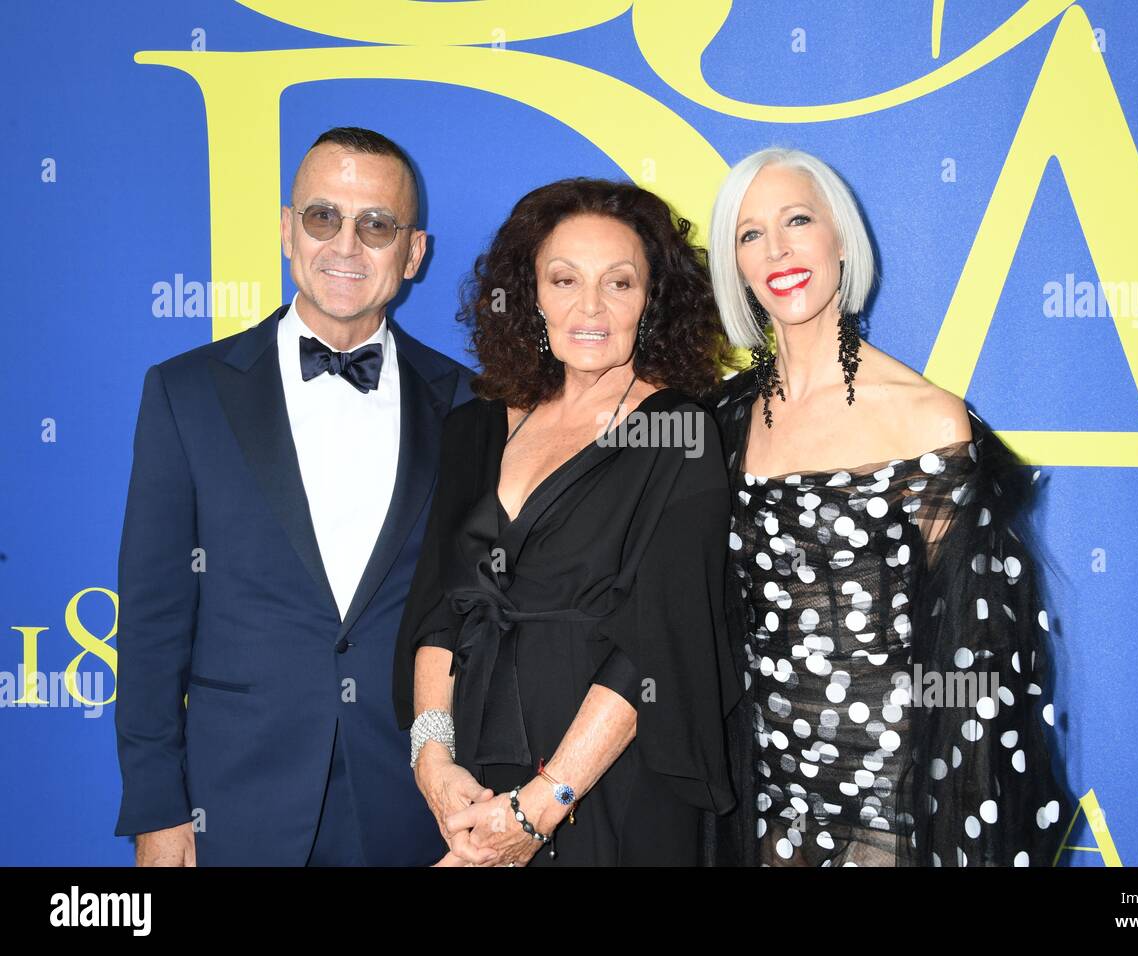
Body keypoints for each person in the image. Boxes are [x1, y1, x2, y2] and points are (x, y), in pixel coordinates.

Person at [113, 127, 475, 866]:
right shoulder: (186, 394)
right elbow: (152, 622)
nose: (346, 245)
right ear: (287, 230)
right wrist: (158, 809)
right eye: (322, 217)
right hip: (234, 806)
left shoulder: (470, 406)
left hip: (410, 805)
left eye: (377, 225)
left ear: (413, 253)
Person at [706, 147, 1074, 866]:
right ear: (737, 264)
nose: (777, 249)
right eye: (750, 234)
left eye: (798, 220)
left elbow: (976, 655)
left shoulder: (929, 420)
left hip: (894, 812)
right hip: (762, 803)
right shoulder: (723, 420)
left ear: (841, 239)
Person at [393, 177, 743, 866]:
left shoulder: (681, 433)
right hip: (472, 778)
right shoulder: (472, 427)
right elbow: (439, 608)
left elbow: (659, 644)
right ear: (530, 295)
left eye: (619, 283)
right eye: (563, 280)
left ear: (652, 301)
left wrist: (545, 801)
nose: (591, 308)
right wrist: (432, 760)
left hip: (608, 782)